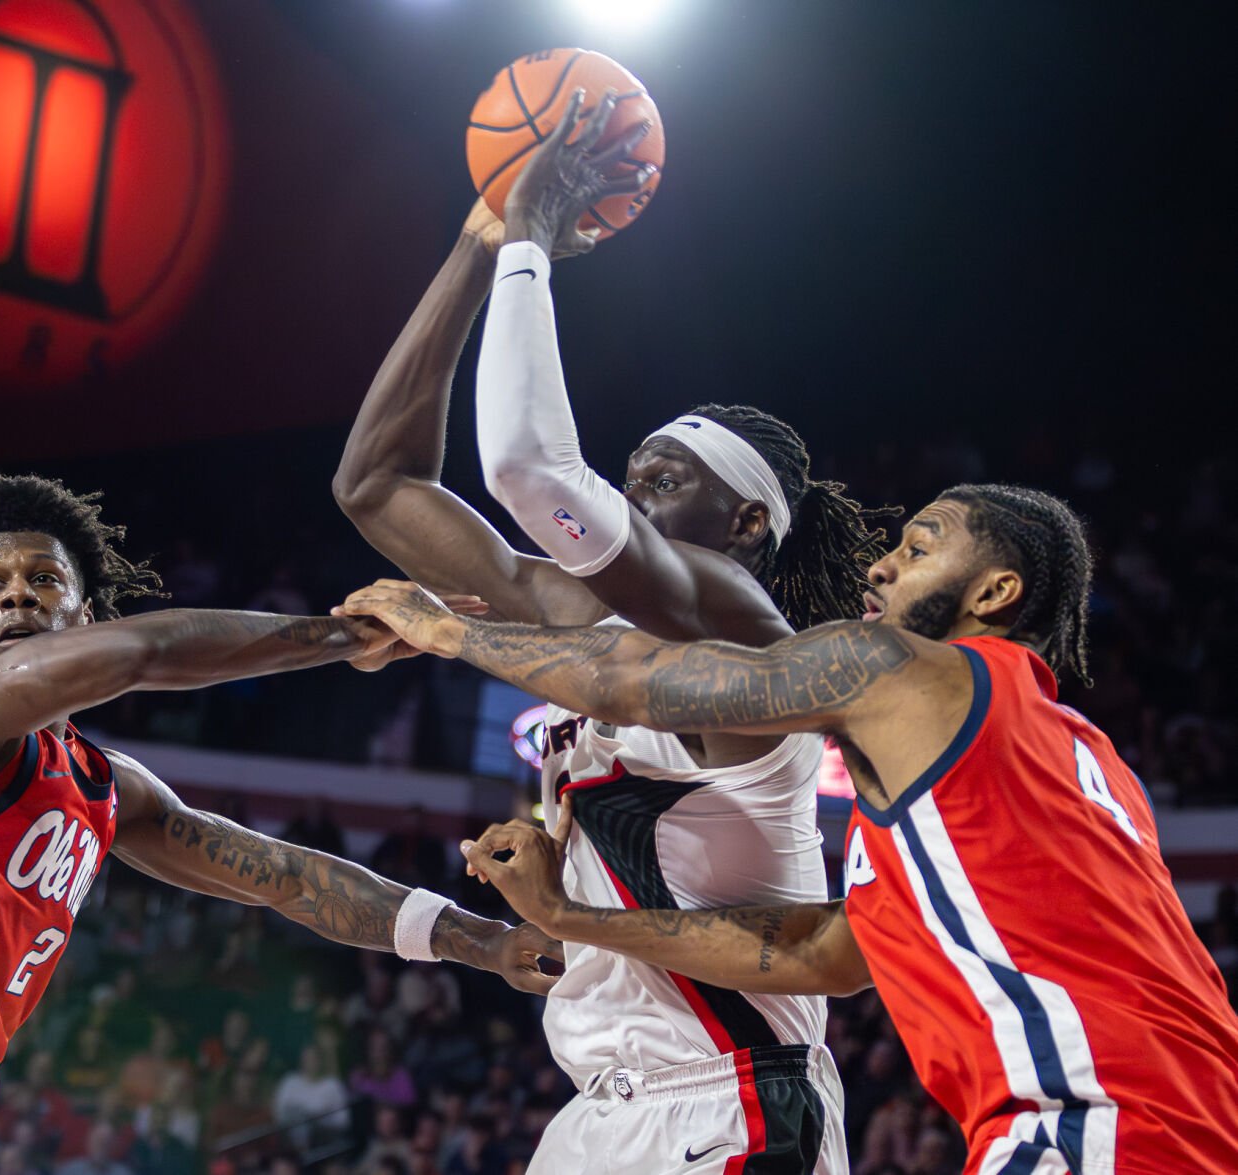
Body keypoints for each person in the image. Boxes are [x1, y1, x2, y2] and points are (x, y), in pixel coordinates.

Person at [341, 483, 1238, 1171]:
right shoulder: (1080, 760)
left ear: (996, 590)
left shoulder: (907, 669)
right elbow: (821, 953)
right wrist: (574, 921)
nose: (880, 566)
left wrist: (447, 630)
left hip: (1096, 1123)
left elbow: (639, 682)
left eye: (917, 548)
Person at [0, 470, 558, 1174]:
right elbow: (148, 651)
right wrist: (341, 637)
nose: (17, 598)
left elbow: (285, 877)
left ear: (82, 619)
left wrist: (477, 940)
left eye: (45, 581)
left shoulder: (106, 790)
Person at [334, 89, 890, 1172]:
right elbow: (375, 483)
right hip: (597, 1111)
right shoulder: (573, 613)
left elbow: (529, 470)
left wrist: (532, 244)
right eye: (627, 473)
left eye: (660, 478)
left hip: (731, 1100)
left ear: (741, 519)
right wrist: (477, 234)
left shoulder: (741, 627)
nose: (629, 493)